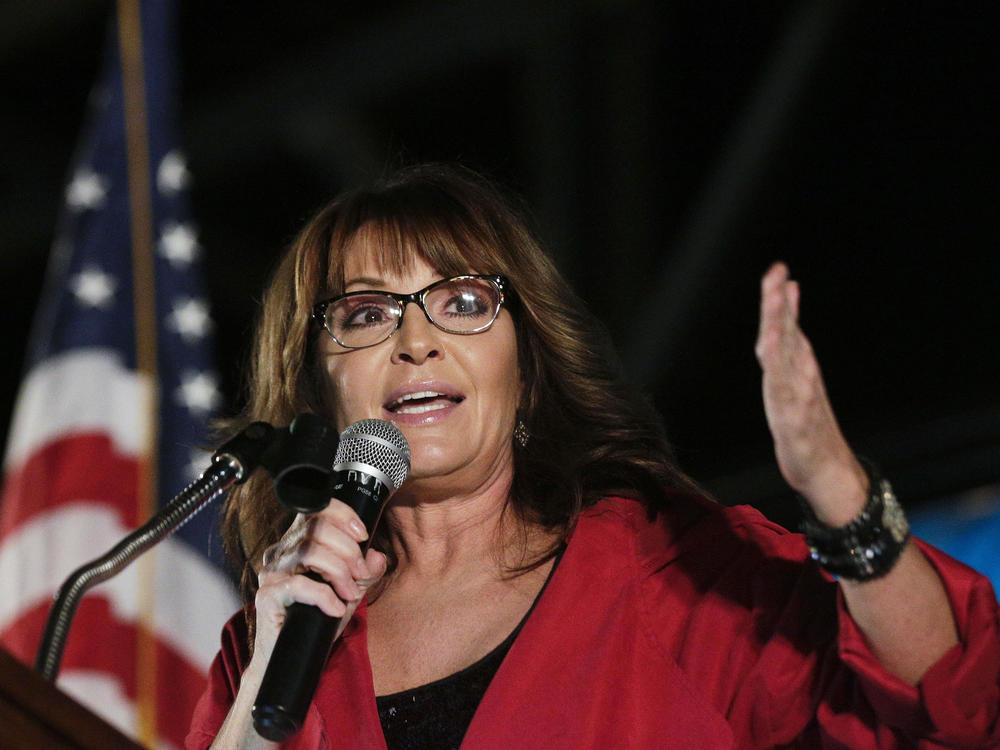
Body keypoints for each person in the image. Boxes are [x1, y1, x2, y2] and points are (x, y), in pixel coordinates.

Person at [187, 163, 1000, 749]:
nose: (416, 341)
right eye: (365, 315)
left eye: (463, 303)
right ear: (316, 387)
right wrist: (269, 668)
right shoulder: (270, 631)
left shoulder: (668, 575)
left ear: (528, 368)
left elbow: (950, 701)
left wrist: (837, 490)